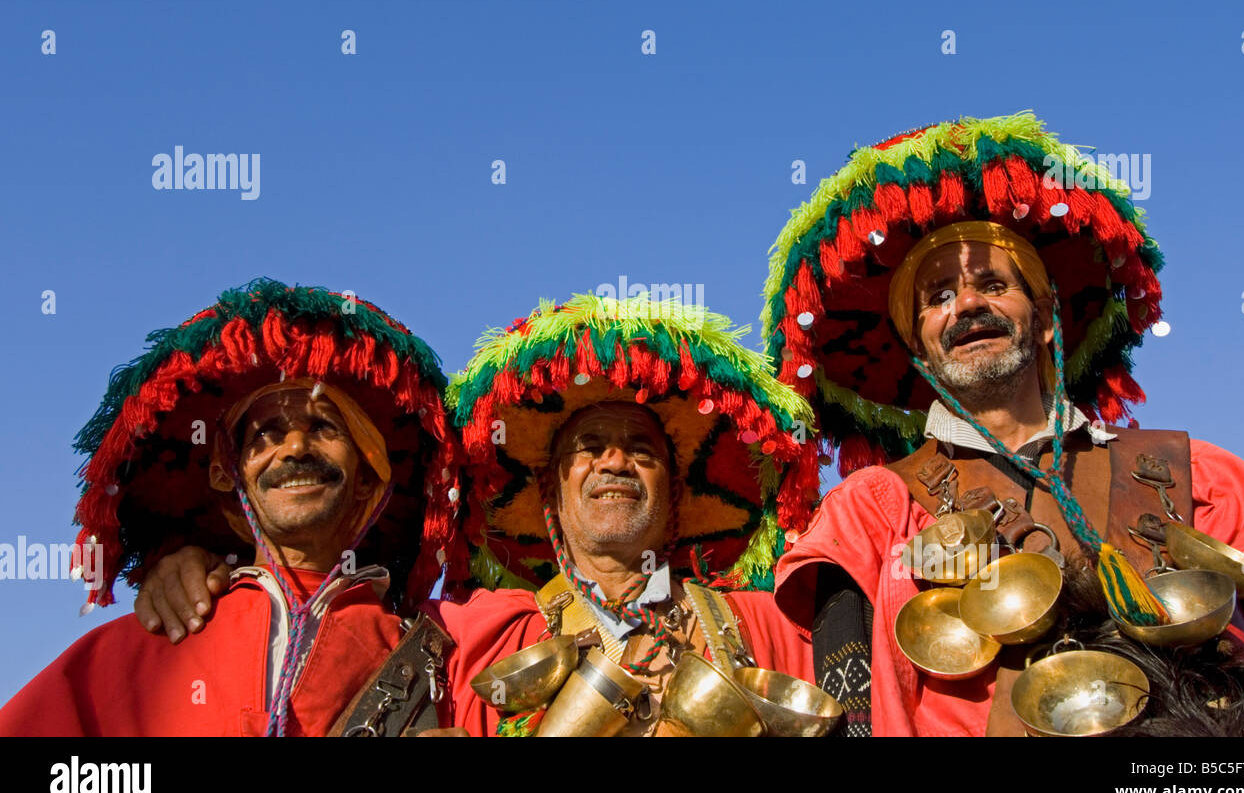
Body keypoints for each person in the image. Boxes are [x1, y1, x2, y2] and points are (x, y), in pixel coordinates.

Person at [759, 113, 1244, 735]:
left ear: (1045, 319)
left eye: (993, 284)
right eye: (936, 299)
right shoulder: (871, 510)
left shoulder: (1198, 473)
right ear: (920, 347)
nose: (965, 306)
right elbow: (849, 716)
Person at [140, 294, 823, 736]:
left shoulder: (766, 623)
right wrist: (201, 561)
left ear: (676, 493)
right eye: (588, 447)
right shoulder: (470, 634)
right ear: (549, 499)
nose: (613, 461)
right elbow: (311, 633)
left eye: (639, 449)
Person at [0, 279, 462, 736]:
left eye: (324, 427)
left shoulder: (448, 657)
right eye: (267, 434)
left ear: (368, 478)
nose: (295, 447)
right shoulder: (130, 656)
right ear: (229, 475)